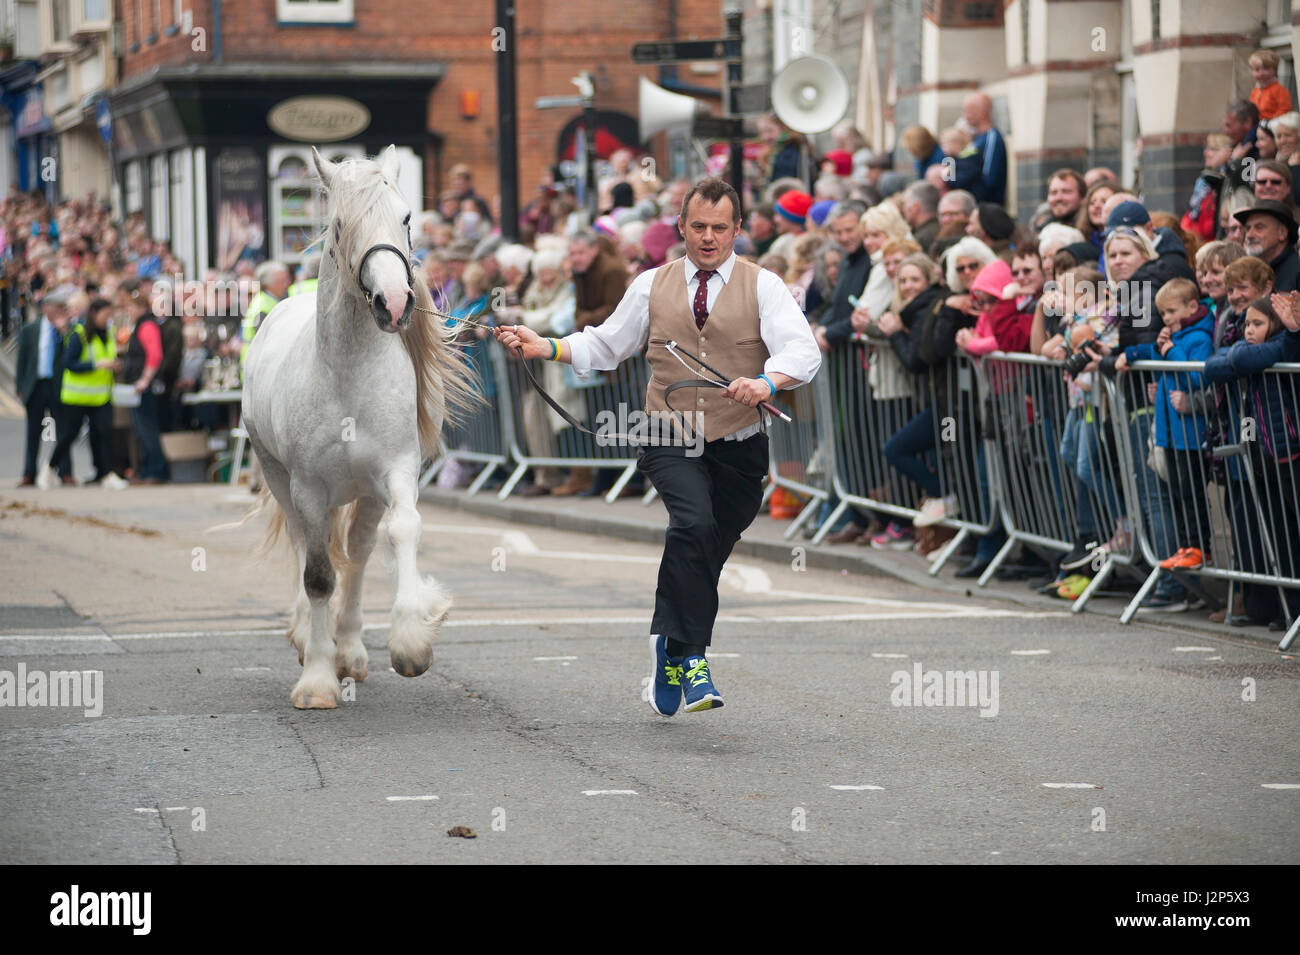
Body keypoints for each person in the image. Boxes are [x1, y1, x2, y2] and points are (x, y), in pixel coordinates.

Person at [493, 177, 820, 715]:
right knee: (691, 525)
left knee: (708, 550)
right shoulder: (651, 283)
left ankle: (668, 641)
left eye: (720, 227)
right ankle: (692, 663)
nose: (708, 237)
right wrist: (545, 345)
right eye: (698, 227)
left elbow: (803, 351)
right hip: (667, 431)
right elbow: (605, 343)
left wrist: (766, 382)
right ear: (681, 228)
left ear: (737, 229)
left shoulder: (764, 286)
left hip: (740, 440)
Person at [1114, 278, 1216, 584]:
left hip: (1191, 434)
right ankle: (1186, 545)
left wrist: (1170, 351)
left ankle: (1200, 546)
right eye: (1163, 313)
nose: (1166, 318)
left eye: (1171, 311)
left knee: (1191, 491)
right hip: (1170, 433)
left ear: (1191, 307)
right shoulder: (1174, 335)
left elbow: (1196, 377)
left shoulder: (1199, 337)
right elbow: (1155, 352)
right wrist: (1132, 354)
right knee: (1177, 493)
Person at [45, 297, 127, 488]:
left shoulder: (110, 332)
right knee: (69, 435)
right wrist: (96, 364)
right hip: (78, 396)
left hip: (101, 395)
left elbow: (109, 355)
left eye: (110, 315)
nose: (108, 318)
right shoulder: (79, 334)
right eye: (105, 315)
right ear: (94, 314)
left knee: (105, 433)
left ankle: (106, 474)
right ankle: (49, 468)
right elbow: (69, 364)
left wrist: (115, 364)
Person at [16, 285, 75, 486]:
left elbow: (71, 354)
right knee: (34, 432)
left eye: (62, 308)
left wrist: (63, 331)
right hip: (36, 384)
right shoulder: (30, 330)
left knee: (63, 431)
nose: (60, 311)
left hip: (58, 385)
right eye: (57, 307)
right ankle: (29, 473)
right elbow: (22, 360)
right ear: (46, 308)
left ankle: (65, 472)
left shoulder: (68, 330)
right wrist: (20, 388)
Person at [117, 278, 168, 484]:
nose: (127, 311)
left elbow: (154, 355)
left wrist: (144, 380)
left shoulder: (147, 325)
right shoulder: (140, 325)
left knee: (147, 430)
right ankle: (147, 470)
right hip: (137, 386)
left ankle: (156, 471)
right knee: (141, 430)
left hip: (143, 387)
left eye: (130, 307)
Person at [1234, 199, 1300, 291]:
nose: (1249, 235)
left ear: (1282, 232)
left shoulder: (1297, 270)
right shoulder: (1249, 271)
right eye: (1248, 228)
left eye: (1259, 227)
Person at [961, 91, 1008, 205]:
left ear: (982, 111)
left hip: (985, 208)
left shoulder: (992, 137)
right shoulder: (975, 139)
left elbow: (989, 178)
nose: (964, 116)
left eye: (968, 111)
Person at [1249, 49, 1293, 121]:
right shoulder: (1256, 90)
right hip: (1257, 122)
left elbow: (1285, 110)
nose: (1261, 73)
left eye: (1266, 69)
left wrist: (1269, 122)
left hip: (1273, 125)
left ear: (1275, 70)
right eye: (1257, 69)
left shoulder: (1279, 90)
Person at [902, 181, 941, 253]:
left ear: (915, 207)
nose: (903, 209)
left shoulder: (923, 238)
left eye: (904, 203)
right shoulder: (939, 229)